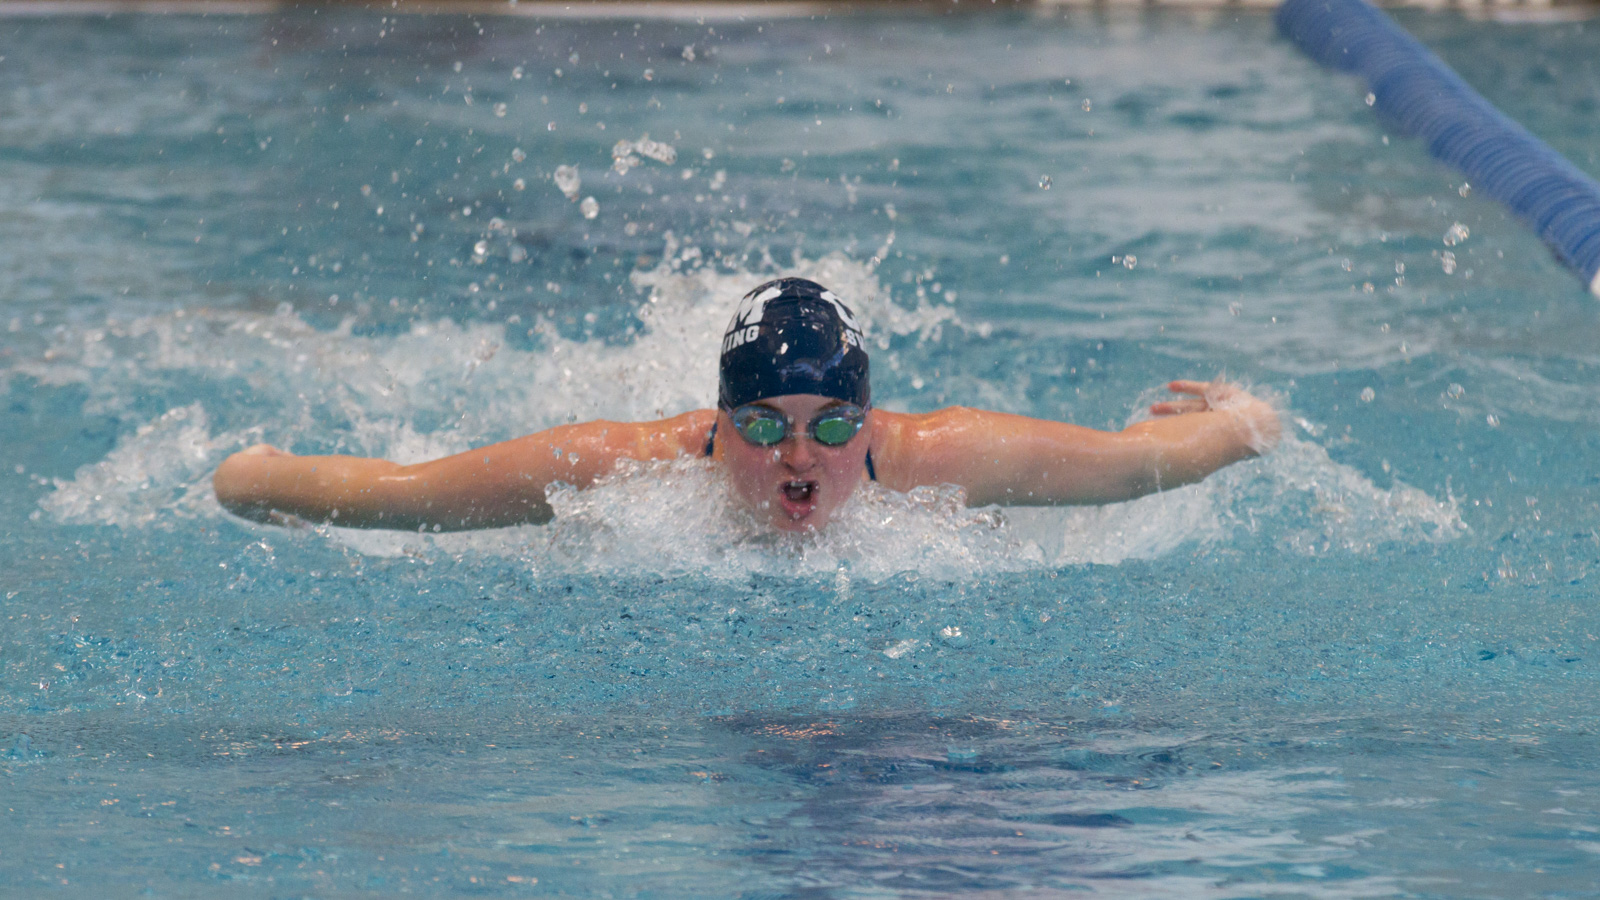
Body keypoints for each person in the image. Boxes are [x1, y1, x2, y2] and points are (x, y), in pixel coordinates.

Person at [213, 277, 1280, 534]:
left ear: (872, 421)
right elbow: (407, 496)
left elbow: (1141, 464)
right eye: (764, 425)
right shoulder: (627, 467)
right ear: (717, 427)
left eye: (831, 422)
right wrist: (245, 480)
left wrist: (1236, 421)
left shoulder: (941, 458)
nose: (798, 456)